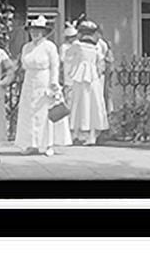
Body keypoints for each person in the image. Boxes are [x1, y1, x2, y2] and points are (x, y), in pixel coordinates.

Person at [14, 15, 72, 156]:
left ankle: (48, 144)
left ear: (44, 32)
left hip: (44, 80)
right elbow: (23, 65)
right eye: (33, 30)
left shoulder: (49, 47)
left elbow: (55, 65)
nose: (35, 33)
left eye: (38, 31)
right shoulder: (26, 47)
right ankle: (31, 144)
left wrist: (53, 82)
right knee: (29, 113)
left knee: (45, 113)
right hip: (29, 81)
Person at [68, 20, 109, 145]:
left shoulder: (94, 47)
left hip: (89, 78)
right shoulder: (80, 46)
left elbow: (101, 62)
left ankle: (89, 134)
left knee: (90, 103)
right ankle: (79, 133)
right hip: (83, 77)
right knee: (81, 103)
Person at [60, 22, 79, 108]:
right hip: (68, 77)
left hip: (77, 77)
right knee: (69, 99)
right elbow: (62, 59)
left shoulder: (78, 46)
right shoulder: (64, 47)